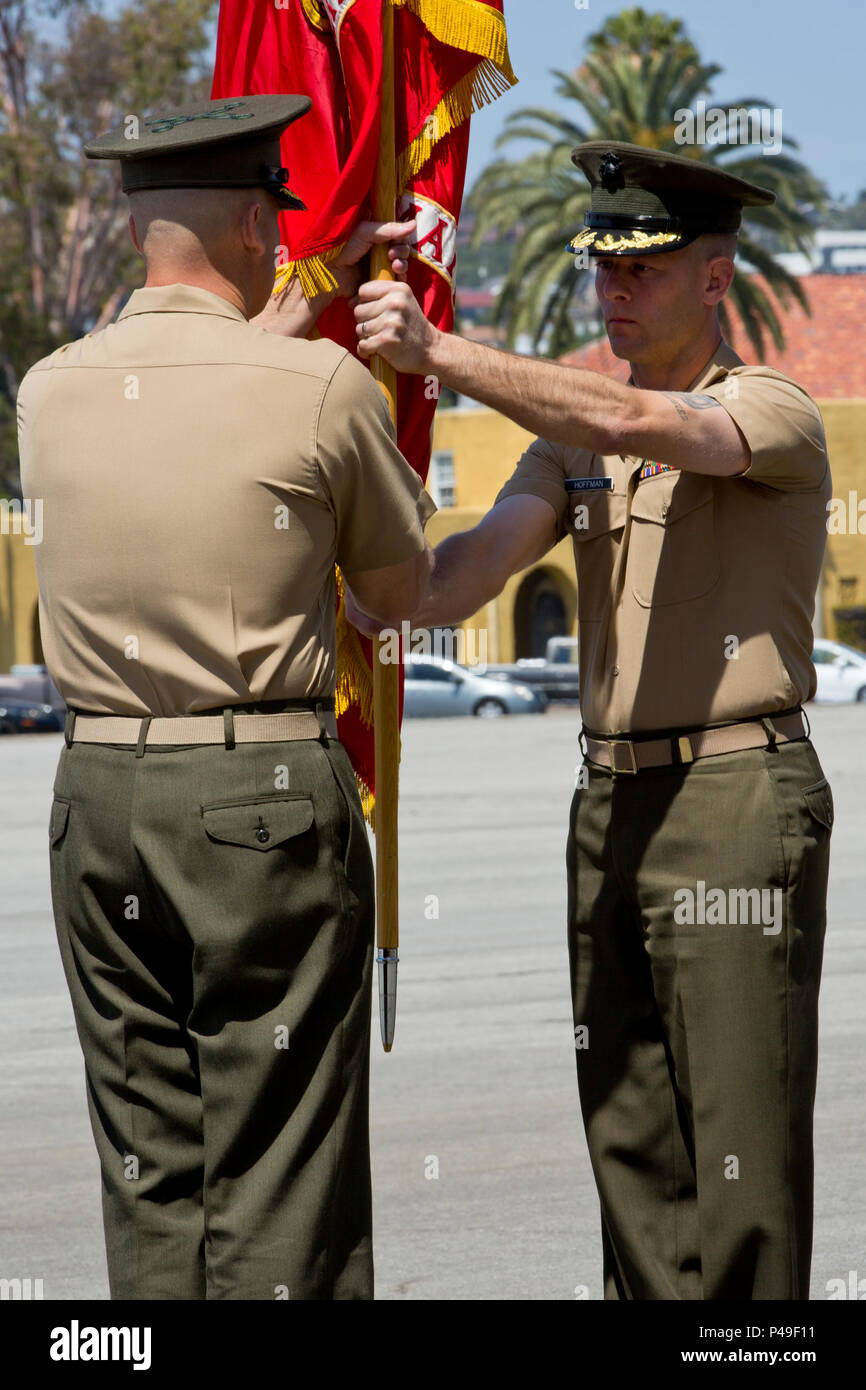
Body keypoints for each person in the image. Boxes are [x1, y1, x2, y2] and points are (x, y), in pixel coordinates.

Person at [348, 141, 833, 1300]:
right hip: (609, 797)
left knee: (737, 1145)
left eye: (641, 269)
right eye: (598, 268)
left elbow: (637, 425)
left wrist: (441, 354)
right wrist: (347, 499)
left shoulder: (765, 411)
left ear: (715, 280)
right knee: (626, 1138)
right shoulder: (570, 440)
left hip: (731, 800)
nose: (610, 288)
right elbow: (451, 582)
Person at [17, 94, 435, 1301]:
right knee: (280, 1154)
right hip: (257, 806)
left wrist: (292, 309)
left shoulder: (49, 391)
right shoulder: (318, 388)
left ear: (142, 231)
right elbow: (394, 592)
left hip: (94, 796)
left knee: (150, 1158)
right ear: (261, 225)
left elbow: (193, 389)